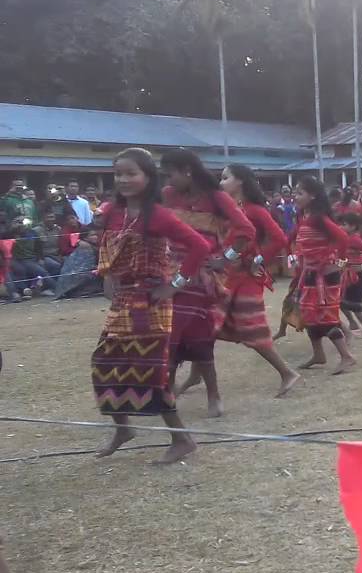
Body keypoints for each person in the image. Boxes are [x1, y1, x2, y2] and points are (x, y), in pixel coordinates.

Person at [93, 148, 210, 464]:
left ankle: (181, 438)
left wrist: (174, 286)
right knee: (105, 364)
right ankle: (123, 428)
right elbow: (110, 254)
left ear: (148, 177)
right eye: (119, 173)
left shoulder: (159, 215)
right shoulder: (115, 214)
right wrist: (108, 278)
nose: (124, 179)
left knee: (151, 372)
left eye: (131, 173)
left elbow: (201, 247)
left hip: (151, 303)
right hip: (122, 301)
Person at [160, 149, 255, 419]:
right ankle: (169, 394)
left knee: (186, 335)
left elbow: (247, 231)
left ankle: (209, 395)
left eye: (171, 174)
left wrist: (225, 259)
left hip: (200, 278)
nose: (168, 180)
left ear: (187, 171)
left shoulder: (217, 198)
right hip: (168, 274)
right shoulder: (168, 195)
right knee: (175, 335)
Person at [202, 164, 301, 399]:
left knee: (251, 329)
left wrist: (259, 259)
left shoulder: (254, 210)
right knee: (208, 325)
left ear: (241, 182)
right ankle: (197, 375)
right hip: (226, 276)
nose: (221, 182)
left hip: (246, 278)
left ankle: (287, 372)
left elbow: (279, 239)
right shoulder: (226, 208)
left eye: (226, 178)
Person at [290, 177, 358, 374]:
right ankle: (318, 354)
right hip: (310, 271)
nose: (295, 196)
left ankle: (347, 356)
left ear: (312, 196)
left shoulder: (319, 218)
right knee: (309, 314)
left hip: (325, 275)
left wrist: (340, 263)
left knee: (324, 316)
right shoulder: (306, 215)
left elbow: (343, 238)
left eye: (299, 193)